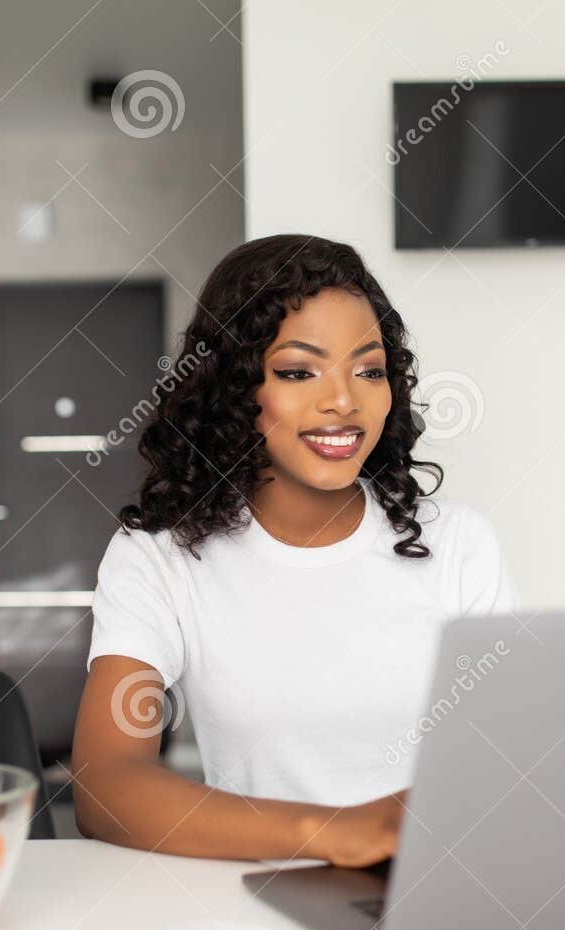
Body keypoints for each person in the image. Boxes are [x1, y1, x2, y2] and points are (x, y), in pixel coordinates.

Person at [71, 234, 513, 865]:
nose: (344, 401)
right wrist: (337, 832)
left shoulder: (459, 544)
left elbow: (509, 760)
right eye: (298, 372)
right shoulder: (158, 556)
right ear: (235, 388)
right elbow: (106, 787)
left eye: (369, 370)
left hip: (441, 886)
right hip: (253, 900)